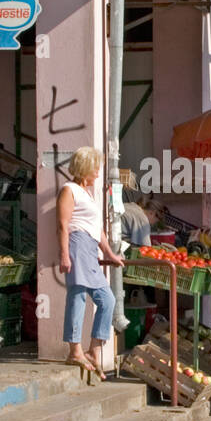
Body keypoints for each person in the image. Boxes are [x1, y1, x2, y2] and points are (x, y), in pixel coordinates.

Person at [58, 146, 125, 380]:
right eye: (95, 167)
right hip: (77, 244)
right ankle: (74, 349)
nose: (98, 172)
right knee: (76, 297)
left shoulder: (88, 193)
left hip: (89, 246)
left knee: (107, 299)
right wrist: (65, 255)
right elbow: (64, 225)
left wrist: (110, 253)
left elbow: (98, 230)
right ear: (85, 168)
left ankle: (94, 347)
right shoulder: (69, 190)